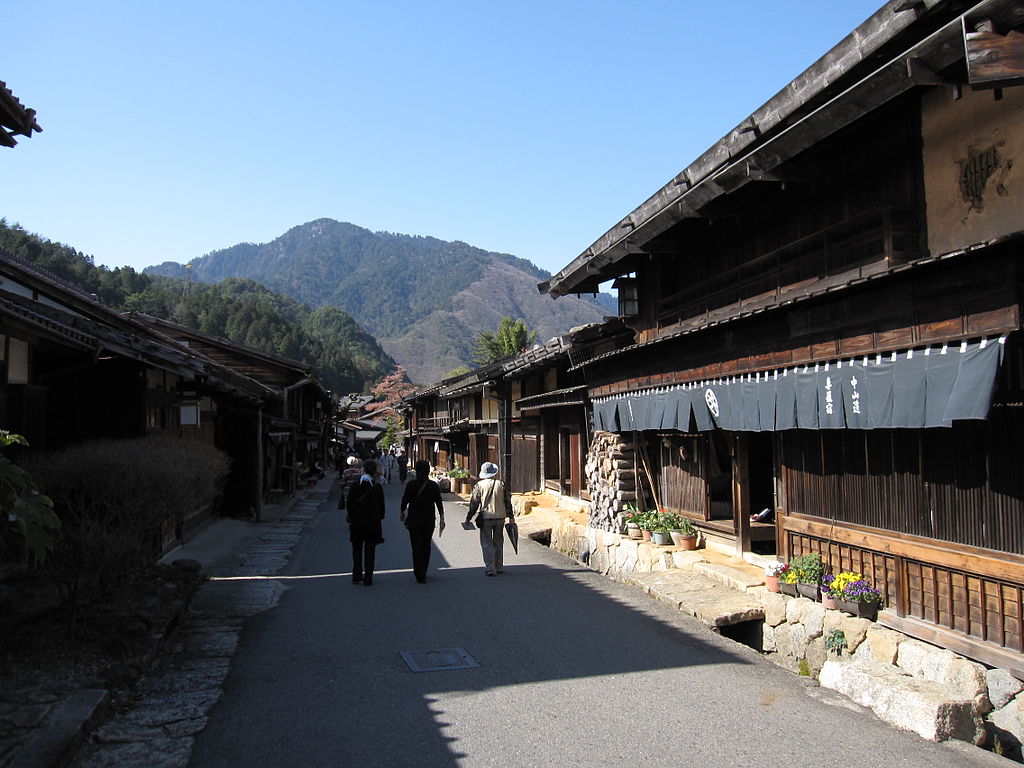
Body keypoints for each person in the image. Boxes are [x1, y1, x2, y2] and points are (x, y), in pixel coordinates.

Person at [464, 461, 513, 576]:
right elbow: (507, 501)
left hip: (486, 517)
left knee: (486, 543)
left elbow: (474, 503)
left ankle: (490, 567)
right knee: (498, 542)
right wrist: (511, 516)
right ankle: (499, 566)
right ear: (494, 473)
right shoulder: (501, 484)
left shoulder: (479, 485)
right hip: (500, 517)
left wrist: (468, 518)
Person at [399, 460, 445, 583]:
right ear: (428, 471)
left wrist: (402, 512)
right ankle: (423, 569)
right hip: (429, 520)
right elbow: (439, 502)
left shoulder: (411, 485)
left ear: (416, 470)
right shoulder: (433, 486)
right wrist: (442, 518)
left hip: (414, 520)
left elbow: (404, 500)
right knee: (426, 545)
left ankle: (419, 573)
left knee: (416, 546)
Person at [346, 459, 385, 585]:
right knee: (370, 551)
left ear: (363, 470)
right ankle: (368, 577)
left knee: (356, 549)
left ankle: (357, 575)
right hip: (372, 524)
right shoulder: (377, 487)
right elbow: (382, 509)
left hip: (357, 523)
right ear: (374, 472)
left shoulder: (355, 486)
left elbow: (349, 504)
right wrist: (378, 517)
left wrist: (352, 517)